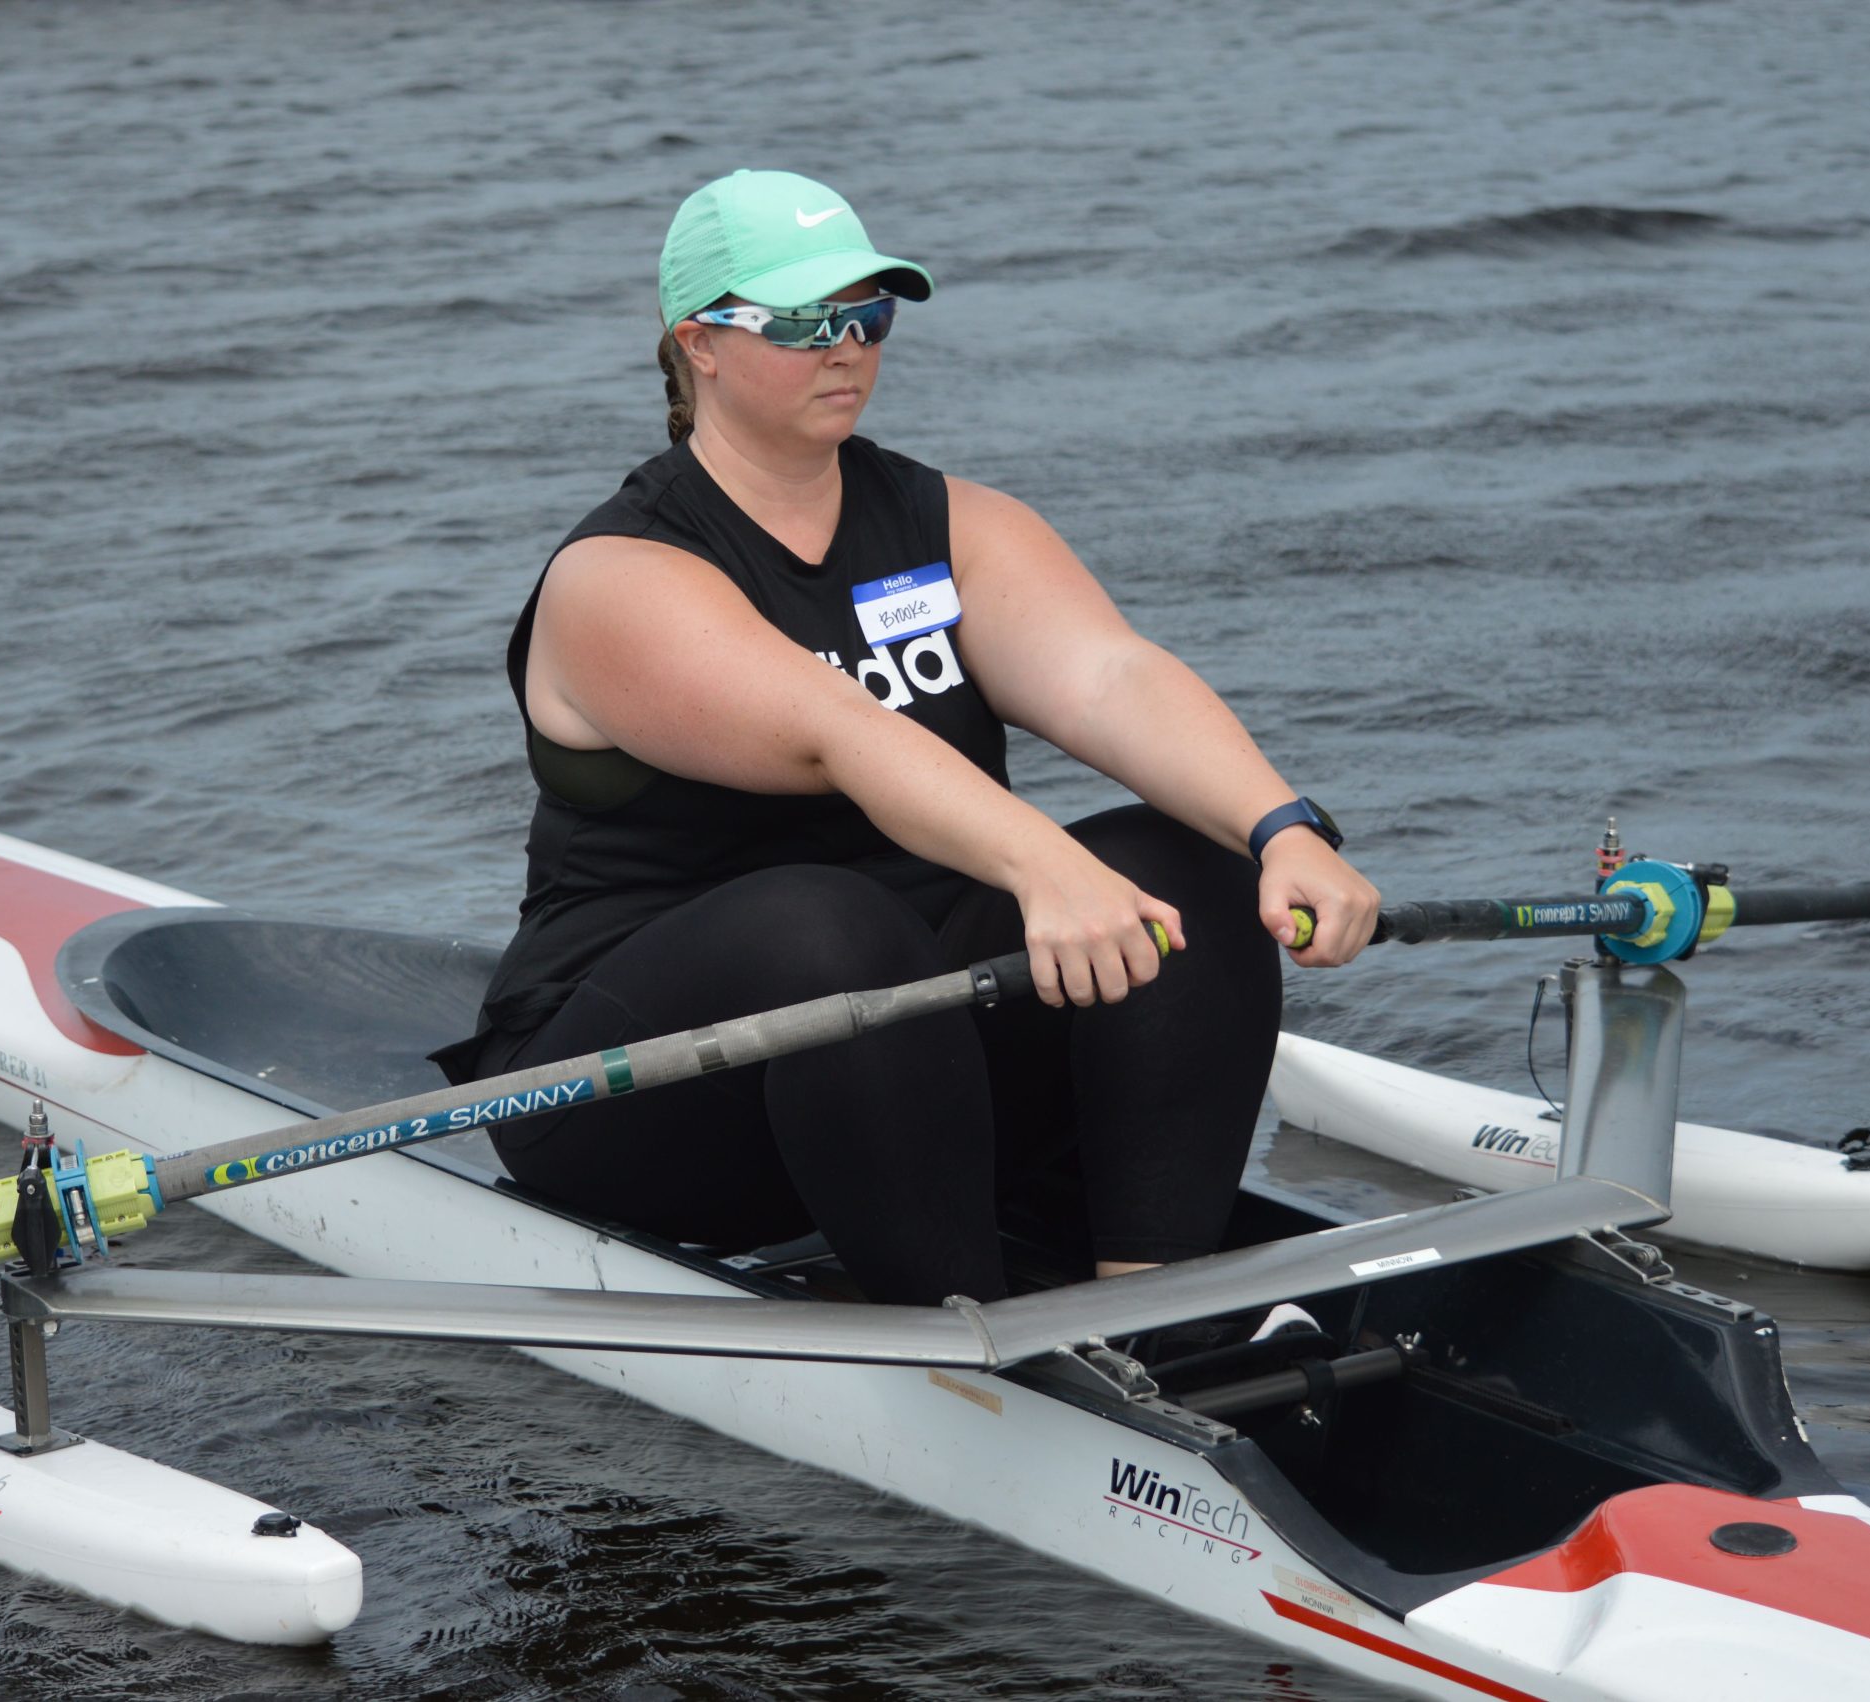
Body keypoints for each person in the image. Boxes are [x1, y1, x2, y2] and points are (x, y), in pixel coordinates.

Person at [437, 170, 1379, 1308]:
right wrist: (1045, 866)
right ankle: (969, 1342)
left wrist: (1282, 829)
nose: (847, 348)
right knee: (828, 923)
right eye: (803, 321)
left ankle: (1160, 1311)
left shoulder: (959, 526)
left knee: (1185, 864)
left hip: (915, 1058)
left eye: (869, 314)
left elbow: (1108, 676)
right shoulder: (617, 580)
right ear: (700, 343)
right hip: (641, 1096)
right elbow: (836, 734)